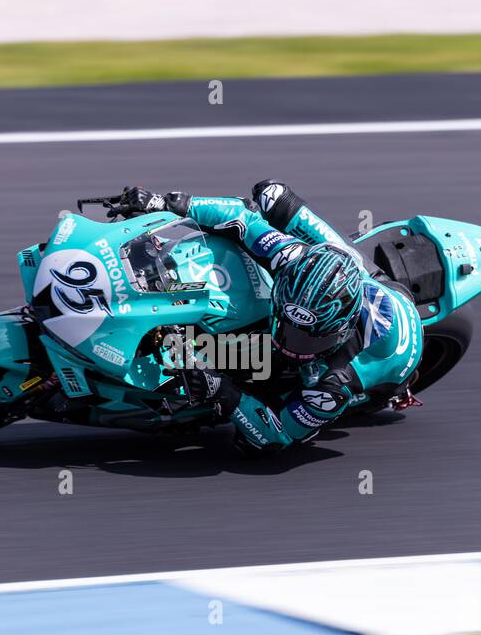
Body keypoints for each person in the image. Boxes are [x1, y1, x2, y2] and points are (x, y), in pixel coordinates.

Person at [114, 181, 424, 454]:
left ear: (340, 331)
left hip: (386, 328)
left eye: (307, 337)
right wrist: (165, 202)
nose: (291, 343)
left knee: (247, 442)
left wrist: (224, 390)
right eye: (289, 327)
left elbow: (278, 438)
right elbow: (240, 218)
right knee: (270, 194)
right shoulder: (291, 259)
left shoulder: (336, 383)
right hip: (350, 274)